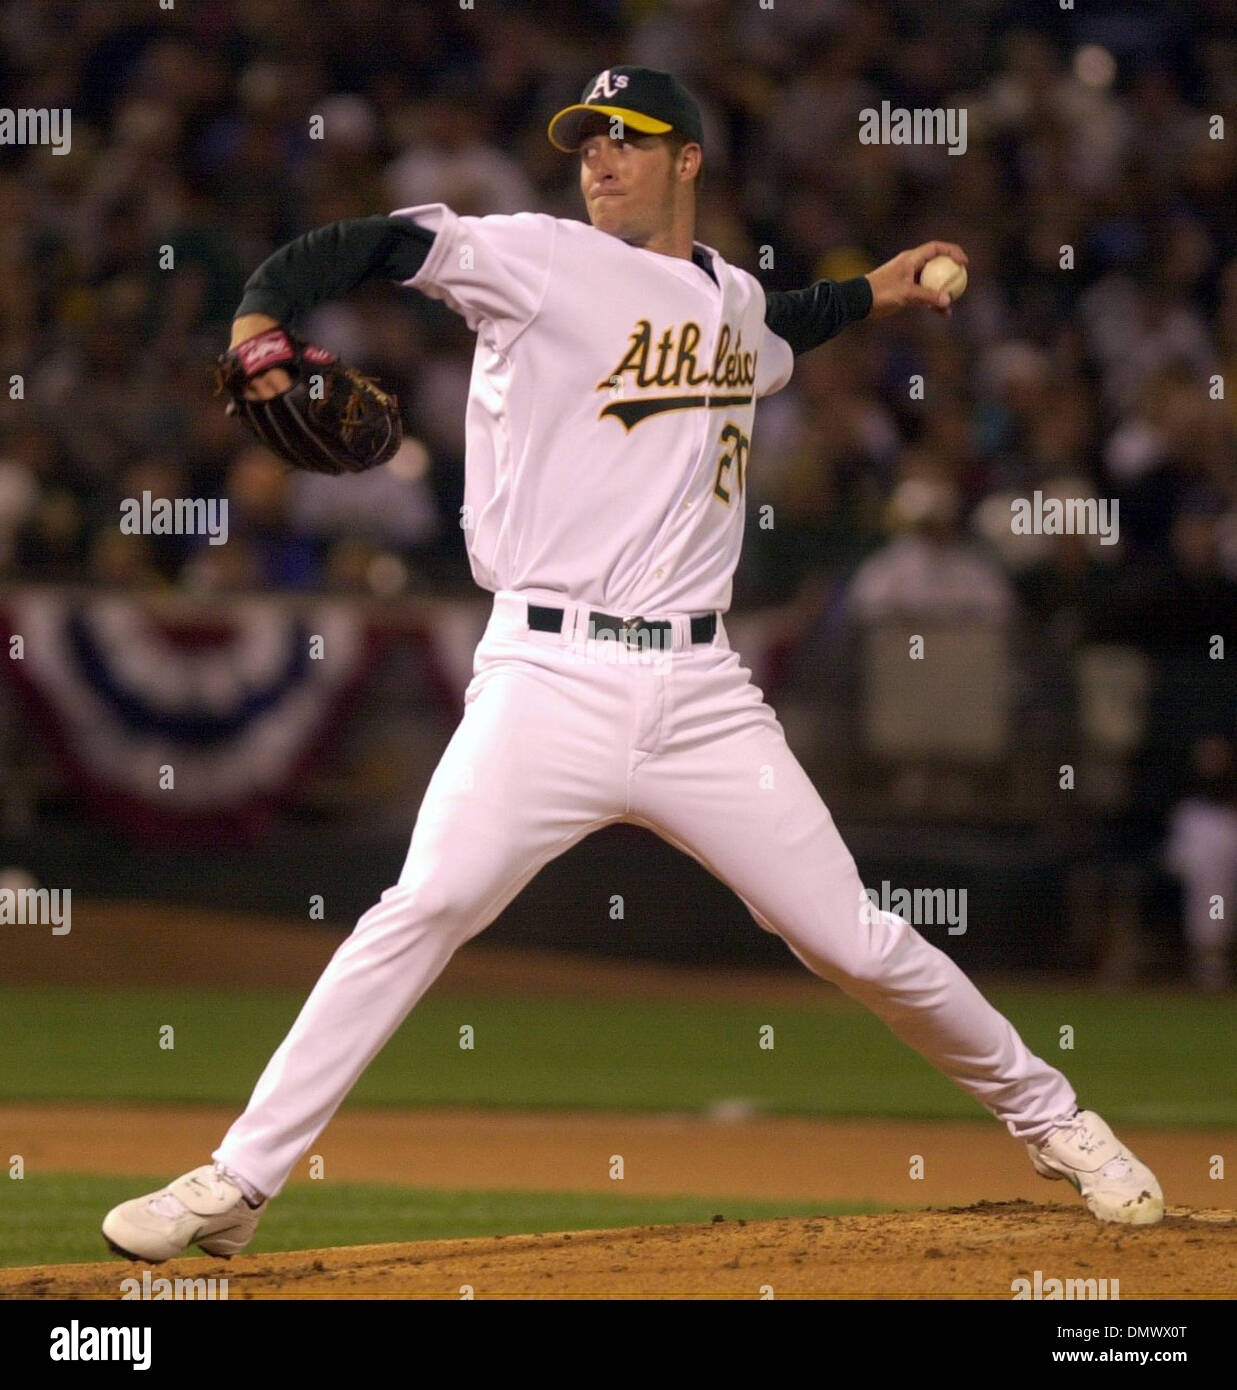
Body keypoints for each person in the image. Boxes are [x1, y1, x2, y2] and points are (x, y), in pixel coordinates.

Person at [103, 67, 1162, 1263]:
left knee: (849, 938)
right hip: (544, 679)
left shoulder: (731, 302)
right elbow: (363, 245)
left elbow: (785, 321)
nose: (599, 158)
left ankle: (1058, 1121)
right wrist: (259, 315)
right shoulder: (535, 255)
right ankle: (238, 1181)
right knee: (426, 904)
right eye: (588, 142)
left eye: (629, 139)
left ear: (688, 160)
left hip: (704, 696)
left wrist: (880, 287)